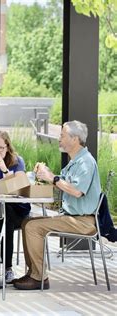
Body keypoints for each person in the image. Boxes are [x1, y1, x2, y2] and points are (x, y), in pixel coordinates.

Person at [14, 121, 101, 291]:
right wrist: (47, 175)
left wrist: (52, 178)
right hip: (71, 217)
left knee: (33, 226)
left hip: (83, 222)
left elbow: (76, 191)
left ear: (75, 139)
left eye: (62, 135)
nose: (59, 139)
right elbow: (62, 183)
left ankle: (39, 278)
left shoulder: (85, 163)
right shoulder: (75, 161)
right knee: (27, 222)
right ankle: (33, 273)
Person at [0, 130, 31, 283]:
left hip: (17, 209)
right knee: (1, 217)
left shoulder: (17, 161)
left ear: (7, 147)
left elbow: (19, 185)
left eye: (0, 148)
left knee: (7, 215)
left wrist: (5, 170)